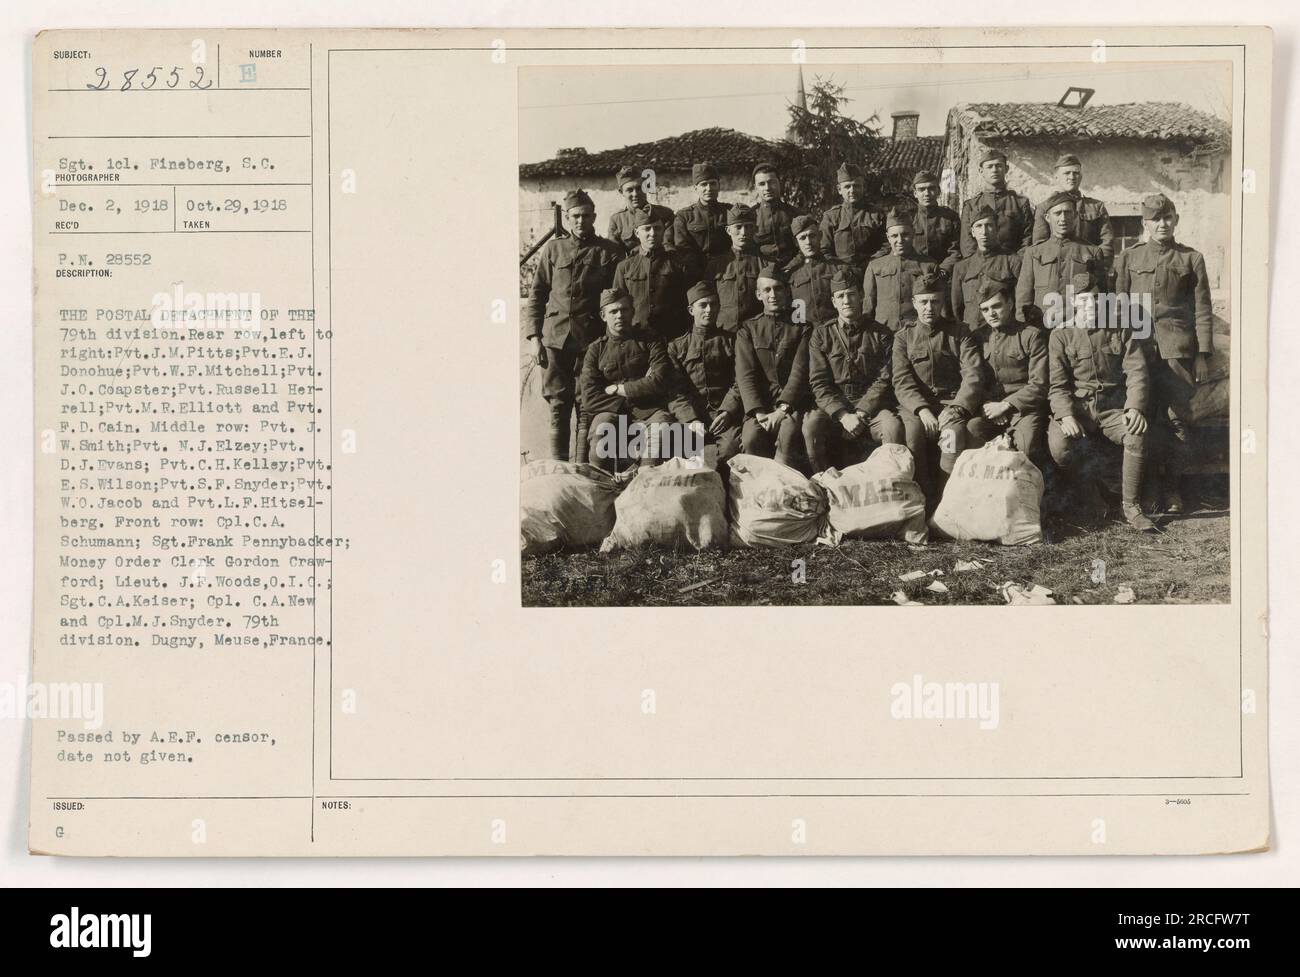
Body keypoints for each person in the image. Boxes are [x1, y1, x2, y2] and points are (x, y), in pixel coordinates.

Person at [1113, 192, 1215, 513]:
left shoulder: (1191, 259)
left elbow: (1202, 310)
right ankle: (1148, 489)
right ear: (1145, 224)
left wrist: (1202, 355)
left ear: (1176, 220)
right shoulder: (1129, 258)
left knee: (1178, 421)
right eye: (1155, 219)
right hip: (1140, 352)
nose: (1162, 224)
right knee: (1144, 418)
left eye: (1167, 218)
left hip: (1177, 352)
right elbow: (1119, 306)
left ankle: (1172, 489)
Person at [1047, 272, 1157, 532]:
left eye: (1097, 300)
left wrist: (1134, 408)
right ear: (1073, 302)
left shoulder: (1120, 329)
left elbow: (1137, 372)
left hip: (1112, 408)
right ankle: (1091, 498)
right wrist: (1065, 416)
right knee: (1060, 447)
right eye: (1084, 301)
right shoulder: (1061, 335)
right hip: (1079, 409)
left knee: (1136, 433)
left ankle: (1131, 507)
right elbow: (1057, 385)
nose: (1091, 306)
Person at [524, 188, 624, 461]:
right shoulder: (553, 249)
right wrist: (534, 338)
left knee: (586, 405)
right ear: (567, 218)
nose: (581, 221)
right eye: (575, 216)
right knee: (558, 405)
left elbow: (617, 298)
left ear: (594, 217)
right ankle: (559, 468)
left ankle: (581, 470)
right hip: (554, 340)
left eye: (586, 216)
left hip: (589, 342)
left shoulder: (608, 252)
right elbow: (537, 294)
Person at [892, 270, 983, 501]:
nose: (929, 308)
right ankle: (922, 500)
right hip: (916, 406)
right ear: (914, 303)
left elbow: (972, 374)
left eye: (934, 301)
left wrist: (956, 408)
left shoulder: (959, 332)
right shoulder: (904, 337)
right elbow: (902, 380)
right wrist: (921, 410)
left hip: (950, 403)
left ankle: (947, 500)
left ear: (942, 302)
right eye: (923, 302)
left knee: (952, 437)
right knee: (913, 434)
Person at [805, 268, 905, 473]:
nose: (846, 300)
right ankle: (823, 482)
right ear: (833, 301)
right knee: (811, 426)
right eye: (840, 296)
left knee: (891, 427)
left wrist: (861, 412)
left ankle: (890, 484)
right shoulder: (821, 335)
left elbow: (884, 379)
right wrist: (843, 416)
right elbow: (819, 383)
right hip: (835, 407)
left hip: (871, 406)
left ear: (861, 296)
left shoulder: (881, 333)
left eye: (851, 294)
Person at [580, 287, 674, 475]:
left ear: (633, 311)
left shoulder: (650, 341)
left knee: (662, 428)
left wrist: (617, 389)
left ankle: (646, 480)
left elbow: (660, 381)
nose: (619, 315)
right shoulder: (596, 350)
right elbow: (590, 398)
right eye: (613, 311)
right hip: (611, 413)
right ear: (603, 315)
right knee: (601, 429)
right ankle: (599, 483)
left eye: (624, 310)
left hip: (649, 412)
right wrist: (635, 392)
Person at [734, 263, 816, 469]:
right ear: (758, 295)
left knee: (787, 439)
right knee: (751, 439)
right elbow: (746, 375)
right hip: (760, 406)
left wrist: (783, 409)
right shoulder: (748, 329)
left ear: (787, 291)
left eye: (778, 288)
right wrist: (759, 412)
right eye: (767, 290)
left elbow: (800, 372)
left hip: (792, 405)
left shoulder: (802, 328)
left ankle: (785, 491)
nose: (773, 294)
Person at [965, 277, 1050, 472]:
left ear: (1010, 303)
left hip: (1023, 410)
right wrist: (987, 405)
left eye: (996, 306)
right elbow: (972, 378)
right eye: (985, 309)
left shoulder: (1031, 335)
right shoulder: (978, 337)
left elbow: (1039, 384)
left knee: (1025, 448)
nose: (991, 314)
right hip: (989, 409)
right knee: (971, 430)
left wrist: (1006, 405)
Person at [666, 281, 742, 470]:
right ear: (691, 310)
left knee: (731, 449)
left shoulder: (732, 341)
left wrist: (728, 411)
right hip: (691, 416)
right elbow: (674, 391)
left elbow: (740, 380)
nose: (709, 310)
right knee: (681, 455)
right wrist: (690, 420)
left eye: (713, 304)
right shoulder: (676, 347)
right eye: (703, 305)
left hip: (723, 415)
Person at [1016, 191, 1106, 326]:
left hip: (1077, 327)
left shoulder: (1092, 251)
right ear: (1047, 217)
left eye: (1067, 213)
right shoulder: (1034, 253)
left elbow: (1101, 295)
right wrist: (1025, 327)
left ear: (1075, 216)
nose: (1063, 218)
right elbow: (1024, 296)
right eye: (1057, 213)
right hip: (1042, 325)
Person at [612, 209, 688, 340]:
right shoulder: (625, 267)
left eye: (657, 228)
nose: (652, 233)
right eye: (647, 229)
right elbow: (616, 305)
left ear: (663, 231)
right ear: (637, 232)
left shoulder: (677, 264)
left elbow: (685, 303)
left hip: (670, 335)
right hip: (636, 336)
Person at [1030, 154, 1113, 268]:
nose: (1072, 177)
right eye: (1067, 173)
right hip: (1056, 268)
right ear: (1056, 177)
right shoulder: (1044, 208)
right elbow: (1039, 244)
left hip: (1089, 267)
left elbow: (1107, 243)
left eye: (1076, 173)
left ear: (1081, 176)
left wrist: (1097, 264)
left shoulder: (1096, 207)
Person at [862, 209, 937, 332]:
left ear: (913, 233)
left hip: (917, 333)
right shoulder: (875, 266)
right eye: (894, 236)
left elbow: (938, 306)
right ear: (888, 237)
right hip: (884, 333)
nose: (900, 240)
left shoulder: (929, 265)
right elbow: (868, 306)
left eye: (905, 234)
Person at [950, 204, 1023, 329]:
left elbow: (1020, 301)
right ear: (972, 232)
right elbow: (957, 307)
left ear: (997, 229)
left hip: (1005, 333)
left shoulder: (1012, 261)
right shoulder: (962, 267)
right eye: (979, 226)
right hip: (973, 333)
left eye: (989, 225)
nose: (984, 231)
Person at [959, 148, 1034, 258]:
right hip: (980, 268)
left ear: (1006, 169)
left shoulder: (1020, 203)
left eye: (998, 166)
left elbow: (1028, 238)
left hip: (1013, 265)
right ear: (981, 171)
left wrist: (1016, 262)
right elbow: (967, 244)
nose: (994, 170)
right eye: (989, 167)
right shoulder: (971, 205)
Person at [818, 161, 886, 273]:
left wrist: (872, 262)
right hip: (842, 275)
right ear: (839, 190)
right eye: (847, 186)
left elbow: (887, 245)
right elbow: (824, 250)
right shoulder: (831, 216)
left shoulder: (876, 214)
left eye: (856, 186)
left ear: (863, 187)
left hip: (872, 271)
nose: (852, 191)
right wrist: (841, 268)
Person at [672, 161, 732, 283]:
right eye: (703, 184)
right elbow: (683, 248)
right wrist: (699, 272)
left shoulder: (730, 211)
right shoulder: (685, 216)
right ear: (695, 188)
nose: (708, 188)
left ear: (719, 186)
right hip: (697, 274)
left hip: (727, 272)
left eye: (712, 184)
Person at [708, 203, 764, 334]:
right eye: (738, 227)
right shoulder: (716, 265)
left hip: (755, 333)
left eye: (748, 227)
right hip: (724, 332)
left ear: (755, 229)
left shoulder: (765, 263)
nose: (743, 232)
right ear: (728, 230)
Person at [785, 215, 845, 328]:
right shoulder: (791, 273)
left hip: (835, 330)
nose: (808, 242)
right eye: (802, 238)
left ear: (820, 236)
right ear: (796, 242)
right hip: (805, 333)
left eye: (812, 236)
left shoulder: (838, 267)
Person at [606, 164, 676, 256]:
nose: (635, 194)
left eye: (639, 188)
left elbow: (668, 245)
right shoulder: (617, 220)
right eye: (629, 190)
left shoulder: (665, 214)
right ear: (621, 192)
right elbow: (614, 251)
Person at [907, 169, 962, 276]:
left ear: (938, 191)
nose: (927, 193)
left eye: (931, 188)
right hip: (914, 273)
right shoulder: (908, 217)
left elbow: (956, 250)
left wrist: (943, 270)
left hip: (944, 275)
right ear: (915, 193)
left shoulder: (950, 217)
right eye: (921, 189)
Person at [751, 161, 804, 265]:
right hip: (762, 269)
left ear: (779, 183)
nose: (767, 188)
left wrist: (793, 265)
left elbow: (806, 246)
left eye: (772, 182)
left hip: (793, 267)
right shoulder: (751, 216)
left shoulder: (795, 214)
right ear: (755, 188)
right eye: (762, 184)